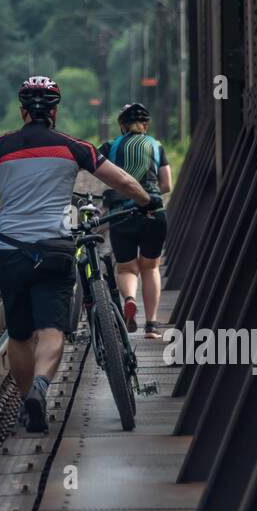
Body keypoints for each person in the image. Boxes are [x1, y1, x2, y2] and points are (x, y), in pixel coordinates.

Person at [0, 77, 160, 432]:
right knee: (52, 328)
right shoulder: (74, 147)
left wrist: (8, 223)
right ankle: (41, 388)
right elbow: (121, 180)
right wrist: (146, 201)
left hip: (10, 251)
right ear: (55, 112)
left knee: (19, 333)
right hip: (56, 248)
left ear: (22, 111)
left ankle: (28, 398)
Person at [100, 103, 172, 338]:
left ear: (122, 125)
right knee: (151, 266)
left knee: (127, 268)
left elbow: (92, 165)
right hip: (153, 214)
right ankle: (151, 325)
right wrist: (148, 197)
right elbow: (166, 185)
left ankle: (130, 299)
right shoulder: (157, 146)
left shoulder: (110, 146)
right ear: (146, 124)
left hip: (122, 214)